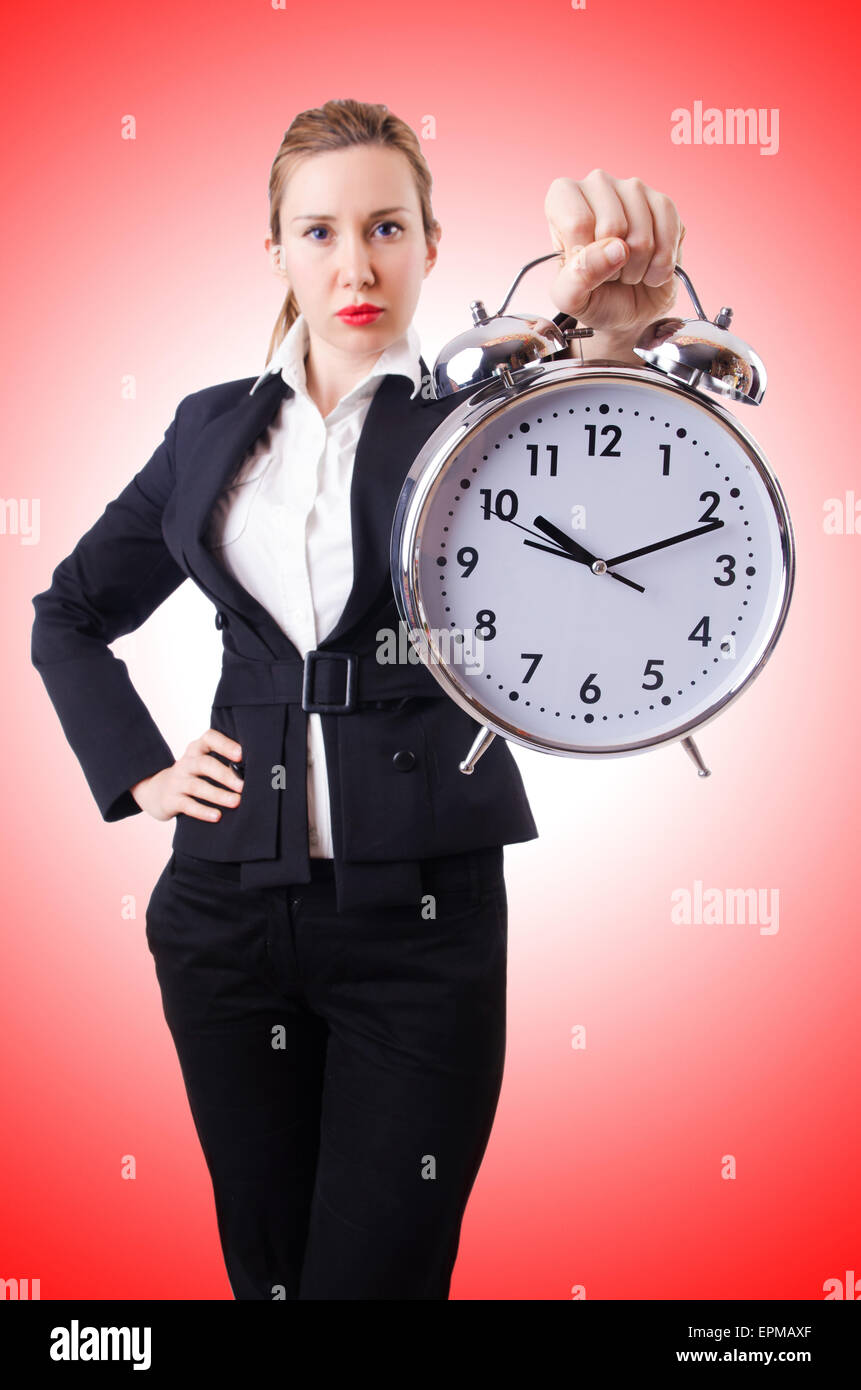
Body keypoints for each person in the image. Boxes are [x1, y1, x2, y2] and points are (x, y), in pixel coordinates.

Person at [30, 99, 685, 1300]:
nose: (356, 263)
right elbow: (67, 612)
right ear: (275, 250)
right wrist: (139, 771)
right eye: (319, 231)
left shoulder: (481, 413)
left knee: (376, 1282)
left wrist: (617, 349)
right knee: (269, 1275)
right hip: (222, 918)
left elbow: (613, 503)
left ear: (433, 244)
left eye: (386, 226)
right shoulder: (208, 427)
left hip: (421, 930)